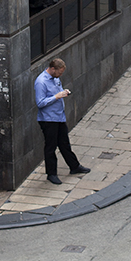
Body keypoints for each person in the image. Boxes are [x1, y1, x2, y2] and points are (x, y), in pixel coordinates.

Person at [34, 56, 90, 186]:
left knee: (64, 143)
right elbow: (40, 102)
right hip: (48, 119)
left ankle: (74, 166)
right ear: (52, 69)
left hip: (59, 117)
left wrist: (64, 92)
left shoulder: (56, 78)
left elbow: (58, 90)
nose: (60, 75)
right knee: (51, 147)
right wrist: (56, 96)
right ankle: (51, 174)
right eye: (59, 72)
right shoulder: (41, 82)